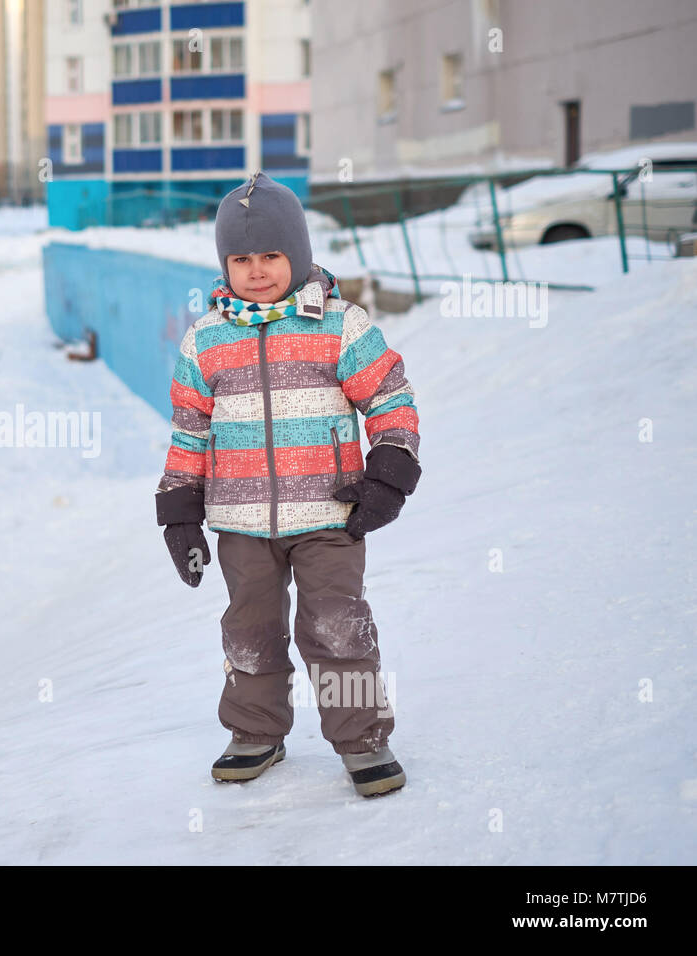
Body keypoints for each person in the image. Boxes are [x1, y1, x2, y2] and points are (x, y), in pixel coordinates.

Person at [154, 172, 422, 797]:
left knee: (336, 626)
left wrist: (387, 477)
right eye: (241, 259)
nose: (256, 270)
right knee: (249, 629)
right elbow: (189, 433)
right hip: (241, 524)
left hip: (332, 514)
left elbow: (391, 400)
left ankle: (362, 740)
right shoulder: (207, 340)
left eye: (271, 255)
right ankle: (256, 731)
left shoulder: (339, 325)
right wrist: (180, 516)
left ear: (297, 254)